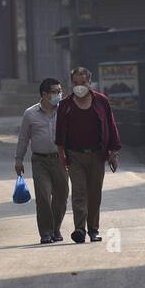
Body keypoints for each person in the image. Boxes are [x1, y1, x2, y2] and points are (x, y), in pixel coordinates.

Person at [55, 66, 121, 244]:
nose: (79, 86)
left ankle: (93, 229)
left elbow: (111, 126)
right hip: (74, 155)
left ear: (90, 82)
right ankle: (79, 229)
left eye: (83, 82)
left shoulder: (101, 102)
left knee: (94, 193)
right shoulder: (65, 105)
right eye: (75, 83)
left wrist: (113, 153)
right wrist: (62, 156)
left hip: (97, 155)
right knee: (79, 192)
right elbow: (60, 134)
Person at [15, 78, 68, 245]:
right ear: (45, 94)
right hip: (40, 161)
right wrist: (19, 159)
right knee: (43, 197)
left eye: (60, 91)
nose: (59, 94)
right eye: (55, 92)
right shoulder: (30, 114)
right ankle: (45, 232)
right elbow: (23, 138)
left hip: (61, 160)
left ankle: (55, 228)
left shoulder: (65, 111)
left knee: (61, 196)